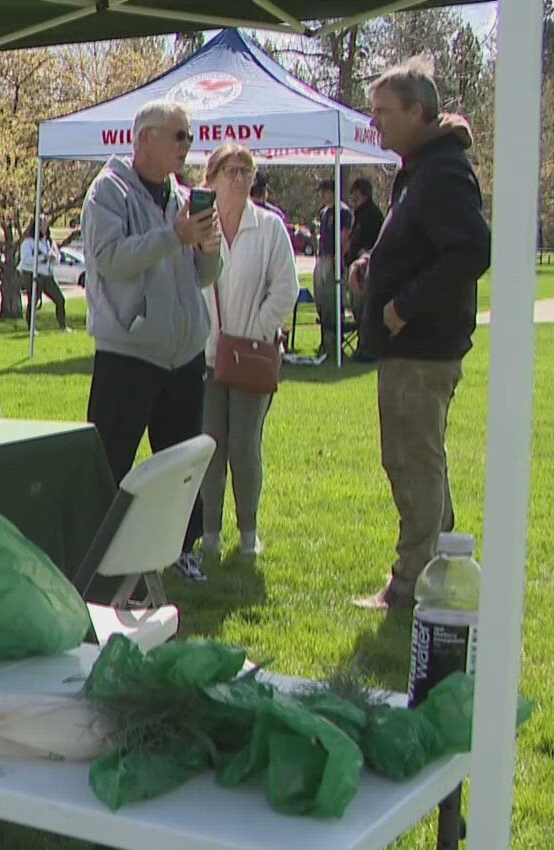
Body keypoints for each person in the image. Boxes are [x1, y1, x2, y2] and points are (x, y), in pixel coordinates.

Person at [349, 57, 490, 611]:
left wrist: (403, 306)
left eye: (384, 112)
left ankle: (410, 584)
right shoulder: (421, 170)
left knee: (412, 461)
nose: (375, 122)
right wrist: (372, 266)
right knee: (414, 458)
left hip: (422, 350)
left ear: (418, 111)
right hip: (412, 348)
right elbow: (423, 245)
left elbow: (473, 249)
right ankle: (439, 566)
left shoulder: (442, 172)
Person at [82, 99, 223, 582]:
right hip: (129, 352)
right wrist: (173, 235)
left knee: (181, 461)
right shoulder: (108, 191)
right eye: (179, 135)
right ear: (144, 138)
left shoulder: (182, 197)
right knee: (111, 459)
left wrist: (207, 248)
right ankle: (96, 554)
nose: (188, 146)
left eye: (190, 136)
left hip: (182, 353)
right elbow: (111, 259)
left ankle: (180, 550)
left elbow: (203, 276)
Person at [196, 145, 298, 564]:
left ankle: (249, 532)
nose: (239, 179)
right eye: (230, 171)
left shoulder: (271, 228)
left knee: (244, 445)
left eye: (246, 171)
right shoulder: (200, 226)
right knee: (208, 448)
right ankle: (210, 534)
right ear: (212, 178)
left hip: (251, 356)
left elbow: (286, 290)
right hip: (203, 356)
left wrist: (254, 334)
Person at [345, 176, 387, 362]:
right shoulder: (360, 214)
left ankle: (369, 348)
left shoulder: (372, 214)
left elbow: (379, 241)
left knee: (364, 309)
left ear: (362, 192)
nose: (352, 196)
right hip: (354, 267)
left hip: (365, 270)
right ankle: (363, 344)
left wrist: (366, 253)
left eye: (355, 192)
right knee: (357, 308)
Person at [311, 179, 354, 361]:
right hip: (321, 258)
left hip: (333, 259)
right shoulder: (324, 212)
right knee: (321, 301)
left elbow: (345, 235)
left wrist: (340, 255)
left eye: (326, 192)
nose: (323, 195)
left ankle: (334, 345)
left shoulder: (343, 211)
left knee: (332, 301)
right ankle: (325, 342)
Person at [20, 218, 70, 332]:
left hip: (47, 275)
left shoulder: (49, 242)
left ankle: (63, 326)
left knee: (60, 299)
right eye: (41, 225)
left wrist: (53, 258)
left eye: (45, 225)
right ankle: (31, 329)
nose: (44, 227)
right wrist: (43, 258)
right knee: (33, 302)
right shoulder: (28, 243)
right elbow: (26, 260)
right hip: (33, 275)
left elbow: (57, 258)